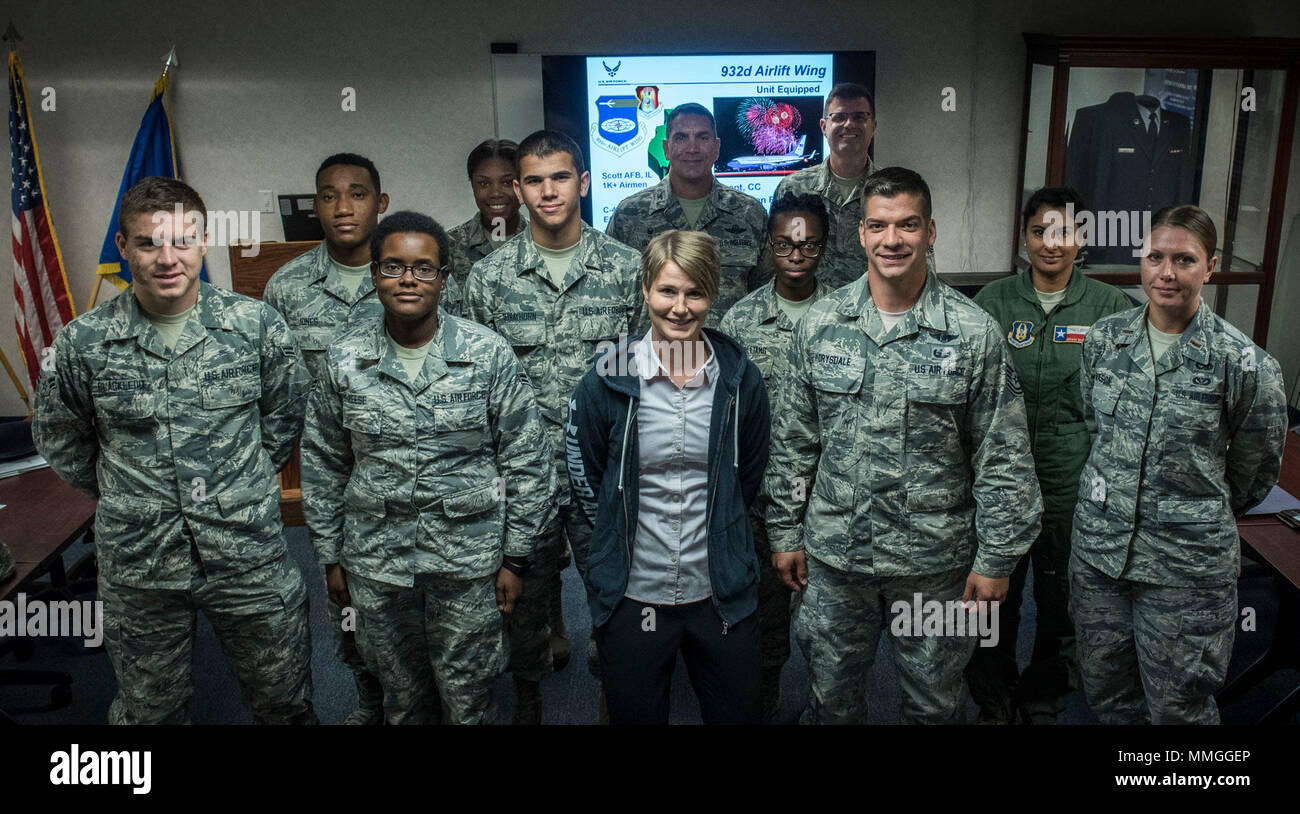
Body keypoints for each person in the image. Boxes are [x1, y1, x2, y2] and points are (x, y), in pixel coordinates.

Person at [764, 167, 1043, 724]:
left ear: (930, 232)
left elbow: (1003, 457)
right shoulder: (820, 324)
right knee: (831, 701)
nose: (892, 240)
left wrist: (996, 558)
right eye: (878, 226)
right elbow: (794, 442)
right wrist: (785, 531)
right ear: (861, 234)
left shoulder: (973, 333)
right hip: (837, 558)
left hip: (934, 563)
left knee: (933, 705)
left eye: (908, 225)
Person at [33, 177, 315, 724]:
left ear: (203, 240)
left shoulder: (254, 325)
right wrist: (129, 492)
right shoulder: (82, 342)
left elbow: (286, 414)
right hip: (140, 562)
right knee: (151, 713)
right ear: (123, 246)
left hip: (245, 551)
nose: (167, 259)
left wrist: (243, 480)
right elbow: (59, 435)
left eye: (183, 241)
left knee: (284, 702)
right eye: (148, 243)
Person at [301, 211, 555, 725]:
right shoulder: (345, 359)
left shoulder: (487, 355)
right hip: (377, 561)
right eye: (393, 267)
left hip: (468, 563)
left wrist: (516, 559)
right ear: (375, 275)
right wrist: (330, 556)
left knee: (468, 698)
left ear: (444, 279)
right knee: (401, 699)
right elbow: (324, 460)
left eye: (423, 269)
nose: (408, 280)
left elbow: (527, 461)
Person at [1071, 204, 1287, 725]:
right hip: (1101, 557)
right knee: (1108, 696)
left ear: (1210, 267)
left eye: (1184, 260)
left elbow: (1254, 474)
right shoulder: (1104, 340)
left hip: (1185, 569)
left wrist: (1190, 508)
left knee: (1178, 710)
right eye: (1155, 257)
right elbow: (1097, 429)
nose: (1166, 272)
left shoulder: (1245, 364)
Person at [464, 129, 642, 723]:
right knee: (522, 602)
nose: (548, 191)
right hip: (523, 476)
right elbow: (477, 387)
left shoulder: (626, 269)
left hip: (606, 471)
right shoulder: (488, 278)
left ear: (583, 183)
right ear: (518, 190)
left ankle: (615, 697)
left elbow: (650, 373)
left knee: (616, 592)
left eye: (560, 177)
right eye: (535, 181)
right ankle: (529, 699)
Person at [567, 229, 771, 724]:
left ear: (713, 294)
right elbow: (587, 478)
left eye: (695, 293)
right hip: (634, 592)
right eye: (667, 291)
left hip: (717, 590)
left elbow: (747, 477)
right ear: (645, 290)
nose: (680, 308)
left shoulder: (740, 381)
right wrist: (614, 533)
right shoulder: (607, 378)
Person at [965, 187, 1133, 724]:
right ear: (1024, 238)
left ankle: (1044, 699)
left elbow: (1128, 407)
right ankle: (993, 695)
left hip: (1073, 481)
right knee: (993, 595)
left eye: (1063, 232)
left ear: (1082, 238)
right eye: (1039, 231)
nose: (1051, 244)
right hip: (1000, 481)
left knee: (1062, 599)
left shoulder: (1110, 308)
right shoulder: (991, 303)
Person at [263, 151, 392, 724]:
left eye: (357, 193)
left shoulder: (411, 269)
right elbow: (274, 391)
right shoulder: (287, 288)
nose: (343, 207)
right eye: (329, 196)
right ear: (315, 206)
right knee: (346, 595)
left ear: (380, 203)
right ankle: (369, 699)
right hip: (335, 475)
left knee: (425, 598)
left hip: (415, 464)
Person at [718, 191, 832, 722]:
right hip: (761, 497)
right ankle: (764, 699)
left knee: (829, 625)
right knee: (763, 614)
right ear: (768, 245)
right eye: (784, 244)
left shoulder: (846, 315)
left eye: (808, 245)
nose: (795, 255)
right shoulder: (741, 321)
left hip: (830, 496)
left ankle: (825, 701)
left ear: (824, 246)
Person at [606, 102, 768, 325]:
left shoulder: (749, 213)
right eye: (681, 137)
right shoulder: (630, 214)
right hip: (653, 345)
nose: (692, 148)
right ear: (666, 148)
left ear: (716, 148)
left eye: (702, 137)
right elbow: (612, 292)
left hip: (726, 346)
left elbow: (765, 295)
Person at [769, 83, 878, 292]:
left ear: (873, 126)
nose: (849, 124)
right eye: (839, 117)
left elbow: (918, 262)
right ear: (823, 126)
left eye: (859, 117)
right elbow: (775, 258)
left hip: (873, 307)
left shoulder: (890, 192)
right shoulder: (793, 188)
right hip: (810, 309)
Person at [447, 139, 527, 291]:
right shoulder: (447, 246)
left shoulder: (544, 241)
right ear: (473, 186)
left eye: (507, 182)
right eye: (484, 184)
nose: (495, 193)